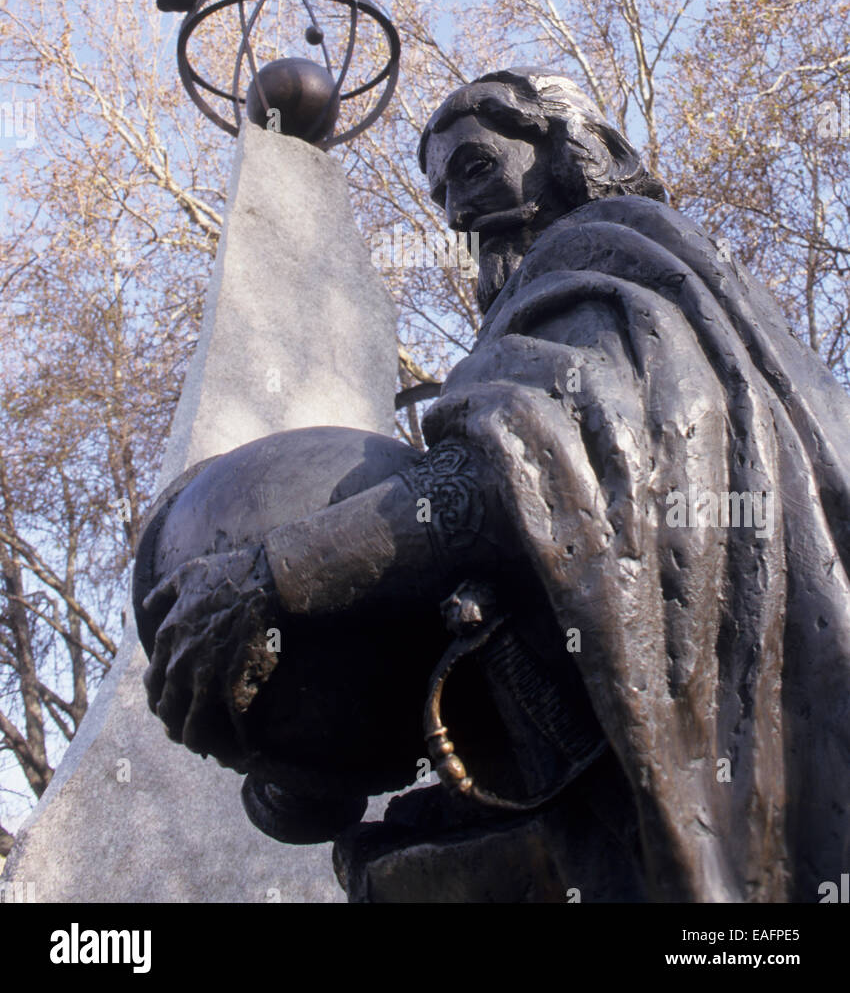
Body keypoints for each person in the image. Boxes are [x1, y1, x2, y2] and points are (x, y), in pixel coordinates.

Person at [140, 66, 850, 903]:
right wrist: (311, 755)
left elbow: (522, 478)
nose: (457, 212)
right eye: (441, 191)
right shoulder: (612, 294)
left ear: (570, 154)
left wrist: (270, 579)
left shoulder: (599, 255)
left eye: (475, 168)